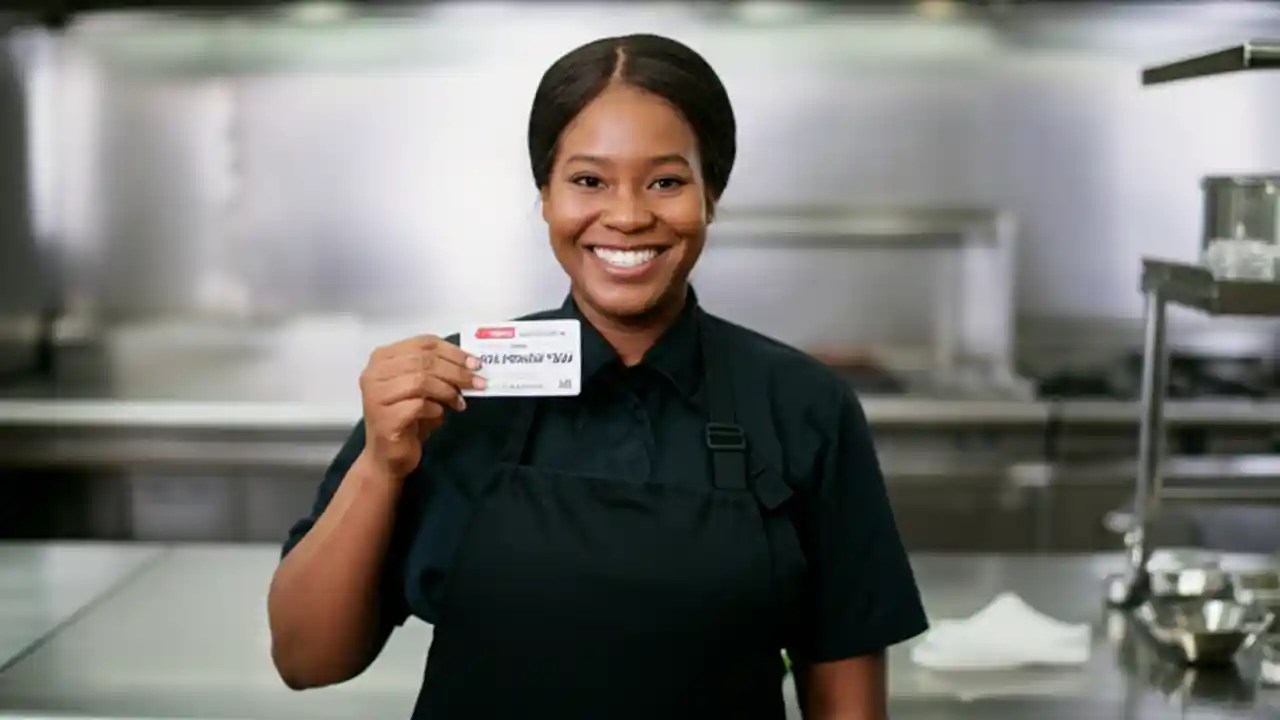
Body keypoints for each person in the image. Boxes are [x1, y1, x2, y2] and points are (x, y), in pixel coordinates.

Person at [267, 33, 927, 720]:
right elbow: (307, 660)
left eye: (666, 181)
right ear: (545, 196)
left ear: (711, 194)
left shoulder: (803, 404)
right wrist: (380, 464)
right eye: (588, 181)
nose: (628, 216)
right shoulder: (449, 390)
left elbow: (847, 700)